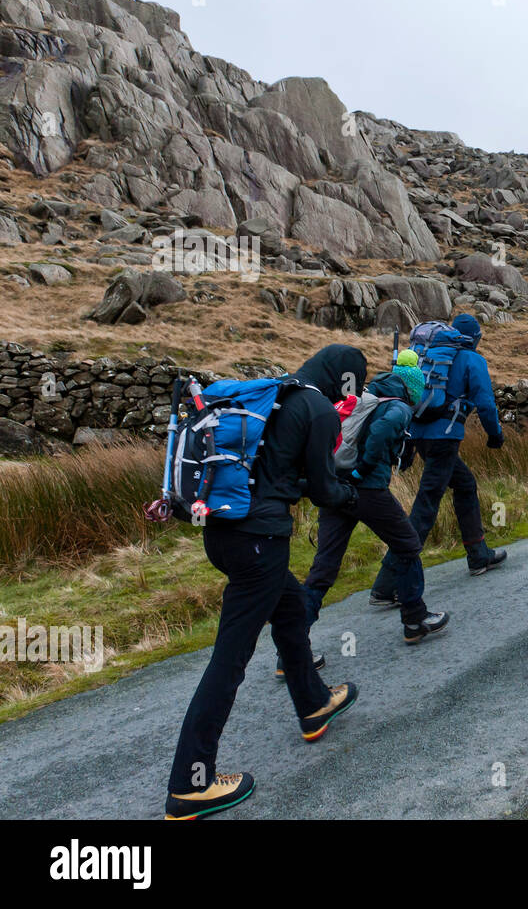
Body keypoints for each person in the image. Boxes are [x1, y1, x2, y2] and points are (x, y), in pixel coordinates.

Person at [165, 344, 365, 820]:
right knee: (230, 659)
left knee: (291, 609)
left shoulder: (272, 397)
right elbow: (322, 488)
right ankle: (190, 784)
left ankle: (314, 704)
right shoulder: (318, 409)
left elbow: (267, 473)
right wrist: (353, 494)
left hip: (223, 532)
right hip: (260, 542)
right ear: (344, 380)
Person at [300, 364, 450, 645]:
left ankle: (292, 647)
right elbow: (382, 432)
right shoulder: (399, 407)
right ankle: (415, 619)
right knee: (407, 544)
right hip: (367, 490)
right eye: (419, 390)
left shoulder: (364, 398)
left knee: (324, 567)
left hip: (335, 489)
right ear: (411, 388)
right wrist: (363, 469)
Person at [369, 313, 506, 605]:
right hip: (444, 437)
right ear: (476, 338)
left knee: (465, 484)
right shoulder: (472, 360)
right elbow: (485, 404)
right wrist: (495, 436)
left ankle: (478, 553)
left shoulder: (425, 355)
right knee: (426, 505)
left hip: (417, 433)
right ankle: (387, 584)